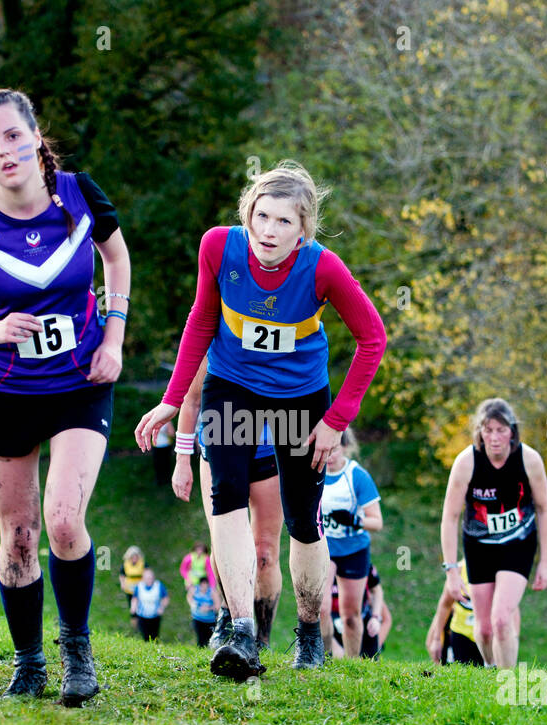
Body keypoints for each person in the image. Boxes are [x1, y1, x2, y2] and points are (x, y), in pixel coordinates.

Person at [136, 161, 386, 680]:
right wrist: (172, 398)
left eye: (283, 223)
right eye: (261, 217)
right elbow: (203, 319)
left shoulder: (322, 268)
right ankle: (242, 632)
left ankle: (310, 634)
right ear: (247, 214)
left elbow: (372, 340)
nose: (268, 231)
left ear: (303, 231)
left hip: (300, 398)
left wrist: (337, 420)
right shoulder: (217, 247)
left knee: (302, 518)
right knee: (224, 496)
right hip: (232, 388)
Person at [0, 88, 129, 706]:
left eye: (13, 137)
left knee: (64, 523)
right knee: (17, 536)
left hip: (79, 381)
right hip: (7, 387)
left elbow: (117, 260)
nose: (4, 152)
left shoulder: (80, 193)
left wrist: (114, 338)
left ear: (35, 134)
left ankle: (76, 652)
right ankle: (29, 661)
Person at [172, 355, 283, 649]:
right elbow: (191, 400)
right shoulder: (211, 334)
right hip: (218, 446)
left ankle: (262, 636)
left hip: (270, 448)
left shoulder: (285, 325)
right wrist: (182, 460)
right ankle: (228, 616)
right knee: (223, 542)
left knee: (265, 553)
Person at [439, 398, 547, 669]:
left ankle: (508, 680)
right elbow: (450, 517)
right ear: (479, 432)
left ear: (512, 431)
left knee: (502, 618)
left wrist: (545, 562)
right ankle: (492, 670)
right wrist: (452, 570)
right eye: (488, 430)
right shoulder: (466, 463)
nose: (494, 438)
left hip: (518, 543)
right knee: (486, 628)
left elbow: (544, 509)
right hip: (479, 546)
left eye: (501, 430)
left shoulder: (530, 460)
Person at [318, 427, 382, 658]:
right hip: (323, 548)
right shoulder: (315, 471)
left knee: (351, 615)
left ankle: (352, 664)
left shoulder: (357, 476)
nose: (332, 454)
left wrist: (354, 520)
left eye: (336, 448)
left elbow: (377, 522)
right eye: (329, 448)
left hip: (354, 548)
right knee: (322, 607)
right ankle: (322, 658)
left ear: (345, 447)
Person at [424, 559, 485, 666]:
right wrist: (436, 638)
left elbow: (511, 612)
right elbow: (445, 604)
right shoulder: (460, 569)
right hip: (462, 634)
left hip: (488, 636)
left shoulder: (500, 572)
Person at [329, 563, 392, 659]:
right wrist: (333, 647)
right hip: (333, 637)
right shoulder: (325, 571)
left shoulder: (363, 567)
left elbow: (386, 619)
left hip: (363, 637)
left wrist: (374, 648)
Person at [131, 567, 168, 642]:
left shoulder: (159, 585)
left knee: (154, 635)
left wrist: (162, 607)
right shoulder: (139, 586)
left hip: (155, 616)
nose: (149, 580)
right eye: (147, 578)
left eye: (151, 578)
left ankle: (155, 648)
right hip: (142, 615)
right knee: (145, 635)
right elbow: (135, 598)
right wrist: (133, 608)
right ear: (143, 578)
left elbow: (165, 598)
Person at [120, 545, 145, 632]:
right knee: (132, 608)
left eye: (136, 556)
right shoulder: (125, 565)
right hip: (130, 590)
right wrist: (123, 584)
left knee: (141, 607)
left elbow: (148, 574)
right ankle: (135, 627)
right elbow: (122, 575)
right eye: (132, 556)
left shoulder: (143, 564)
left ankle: (143, 624)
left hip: (141, 590)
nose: (134, 558)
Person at [187, 576, 219, 647]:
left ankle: (208, 651)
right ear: (200, 585)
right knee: (200, 638)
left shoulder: (212, 592)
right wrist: (193, 604)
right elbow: (189, 597)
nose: (204, 587)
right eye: (202, 585)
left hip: (210, 620)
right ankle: (200, 651)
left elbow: (218, 606)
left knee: (209, 638)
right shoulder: (194, 589)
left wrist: (209, 608)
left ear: (208, 585)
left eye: (206, 585)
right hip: (197, 618)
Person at [151, 419, 174, 486]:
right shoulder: (153, 420)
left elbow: (172, 434)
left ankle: (167, 480)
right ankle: (158, 480)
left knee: (166, 463)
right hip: (156, 445)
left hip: (166, 445)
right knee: (157, 463)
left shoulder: (168, 421)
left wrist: (163, 431)